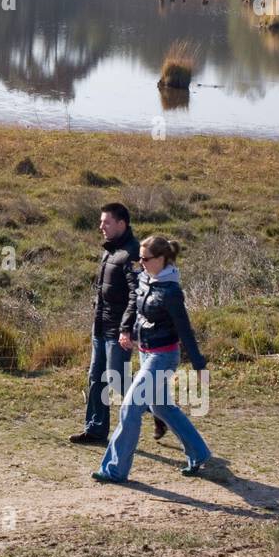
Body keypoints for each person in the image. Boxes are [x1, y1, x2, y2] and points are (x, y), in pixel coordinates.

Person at [92, 235, 211, 483]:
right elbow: (135, 308)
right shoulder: (145, 279)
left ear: (161, 259)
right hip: (146, 353)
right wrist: (128, 332)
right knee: (161, 406)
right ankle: (199, 453)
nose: (141, 263)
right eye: (140, 258)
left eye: (145, 259)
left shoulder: (171, 292)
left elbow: (185, 330)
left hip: (164, 357)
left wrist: (199, 365)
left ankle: (114, 470)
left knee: (130, 406)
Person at [70, 203, 167, 446]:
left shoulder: (133, 253)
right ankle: (95, 430)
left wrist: (126, 328)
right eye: (101, 222)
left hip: (118, 332)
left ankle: (161, 412)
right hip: (100, 328)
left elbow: (137, 295)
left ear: (121, 224)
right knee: (96, 378)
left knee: (119, 381)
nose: (101, 226)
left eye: (107, 222)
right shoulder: (110, 251)